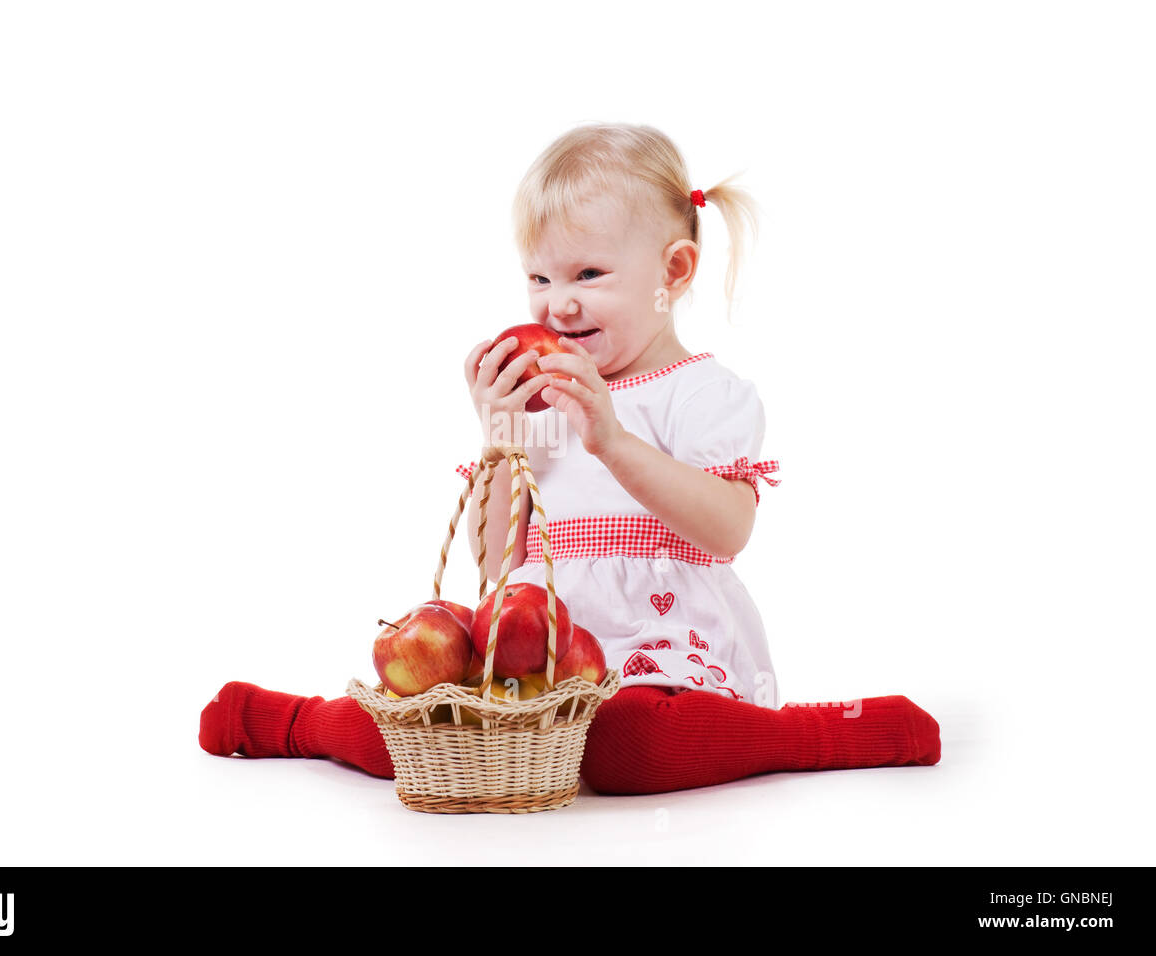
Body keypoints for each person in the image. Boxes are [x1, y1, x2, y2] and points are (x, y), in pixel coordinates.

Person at [198, 123, 940, 794]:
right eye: (540, 278)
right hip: (537, 656)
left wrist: (612, 439)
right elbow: (494, 569)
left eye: (588, 276)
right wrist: (500, 440)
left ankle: (819, 732)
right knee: (427, 728)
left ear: (673, 273)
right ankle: (296, 722)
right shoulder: (542, 403)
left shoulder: (703, 394)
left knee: (627, 748)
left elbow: (727, 531)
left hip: (657, 655)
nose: (557, 305)